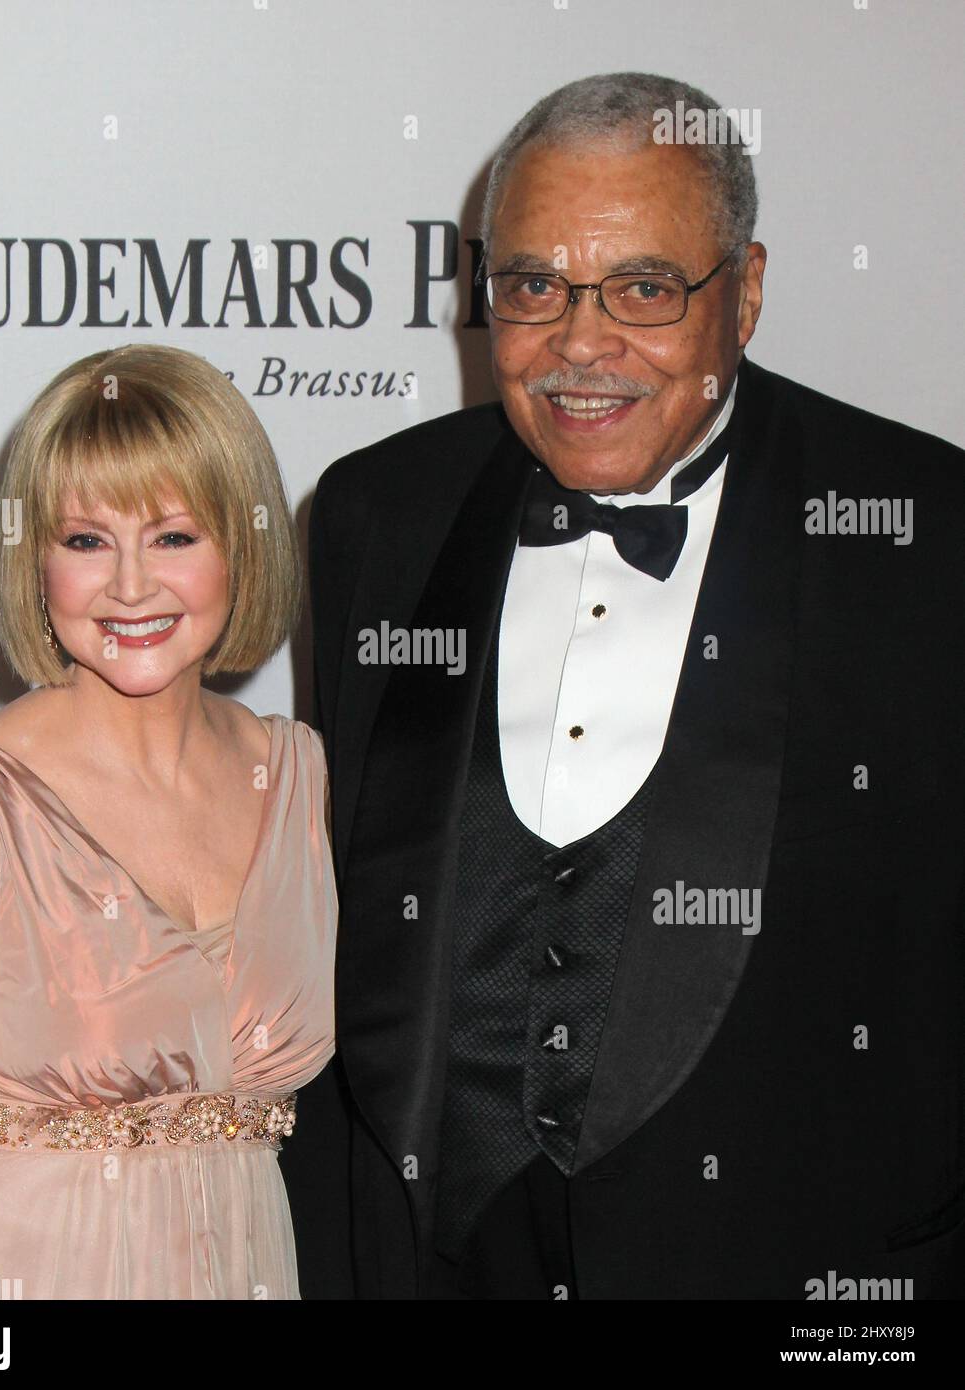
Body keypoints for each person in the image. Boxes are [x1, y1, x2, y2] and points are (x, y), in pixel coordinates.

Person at [305, 72, 964, 1298]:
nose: (580, 342)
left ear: (746, 293)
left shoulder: (924, 530)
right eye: (532, 287)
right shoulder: (372, 515)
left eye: (644, 289)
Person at [0, 343, 336, 1300]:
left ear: (241, 548)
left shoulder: (298, 775)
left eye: (173, 536)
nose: (129, 587)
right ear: (34, 560)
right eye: (84, 541)